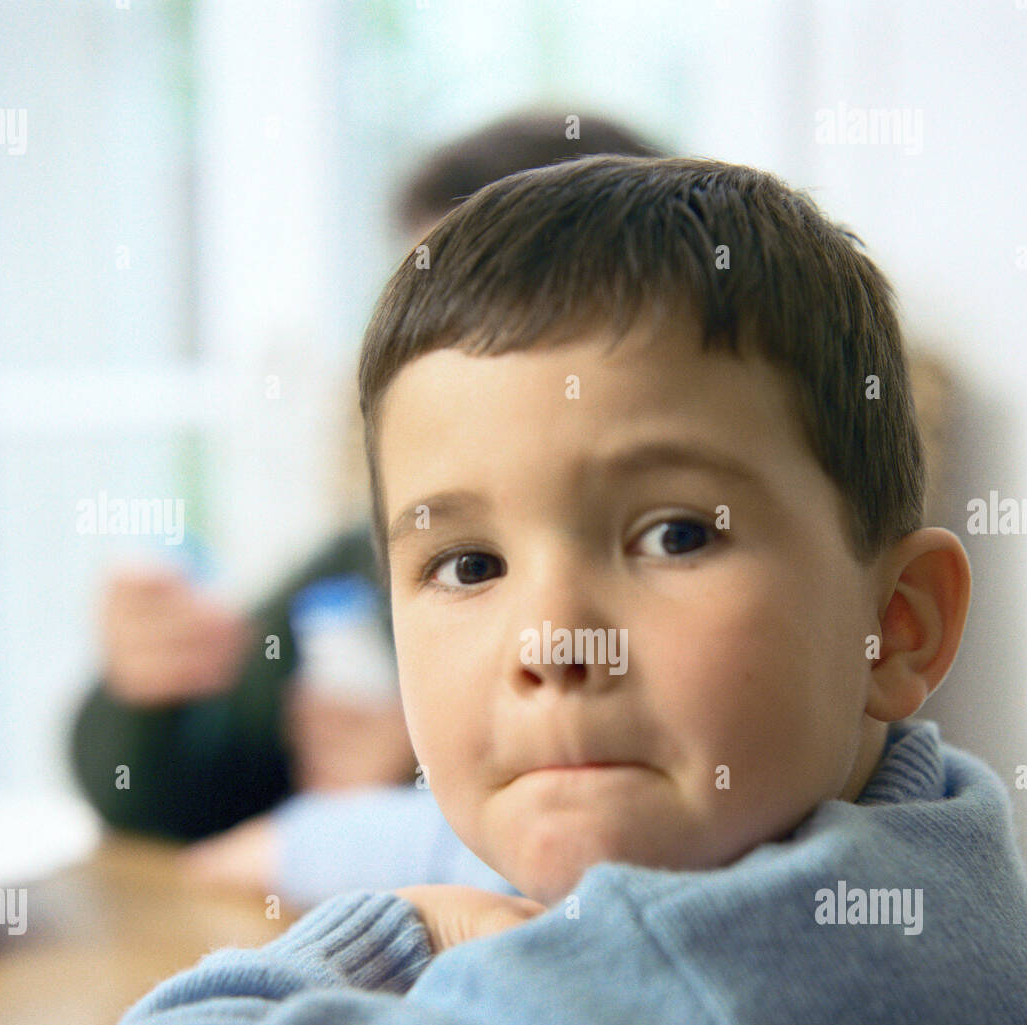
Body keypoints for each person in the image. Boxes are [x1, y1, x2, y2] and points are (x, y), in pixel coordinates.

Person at [30, 156, 1027, 1025]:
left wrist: (393, 929)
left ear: (894, 629)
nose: (555, 642)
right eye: (467, 562)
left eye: (674, 536)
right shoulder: (904, 833)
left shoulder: (736, 987)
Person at [69, 110, 663, 841]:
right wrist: (145, 688)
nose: (434, 366)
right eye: (415, 314)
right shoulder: (367, 558)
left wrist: (430, 754)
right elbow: (171, 798)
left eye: (485, 320)